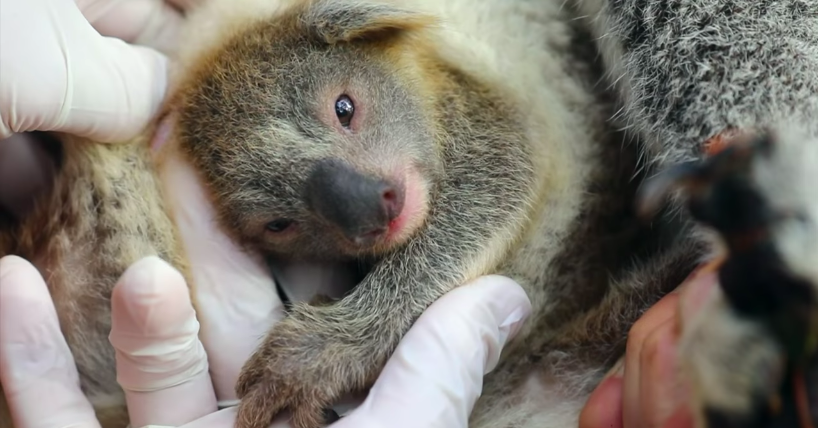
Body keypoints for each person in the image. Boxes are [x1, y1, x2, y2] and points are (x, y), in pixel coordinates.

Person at [0, 0, 715, 427]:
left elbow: (504, 154)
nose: (358, 212)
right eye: (280, 225)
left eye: (345, 112)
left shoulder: (409, 65)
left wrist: (356, 331)